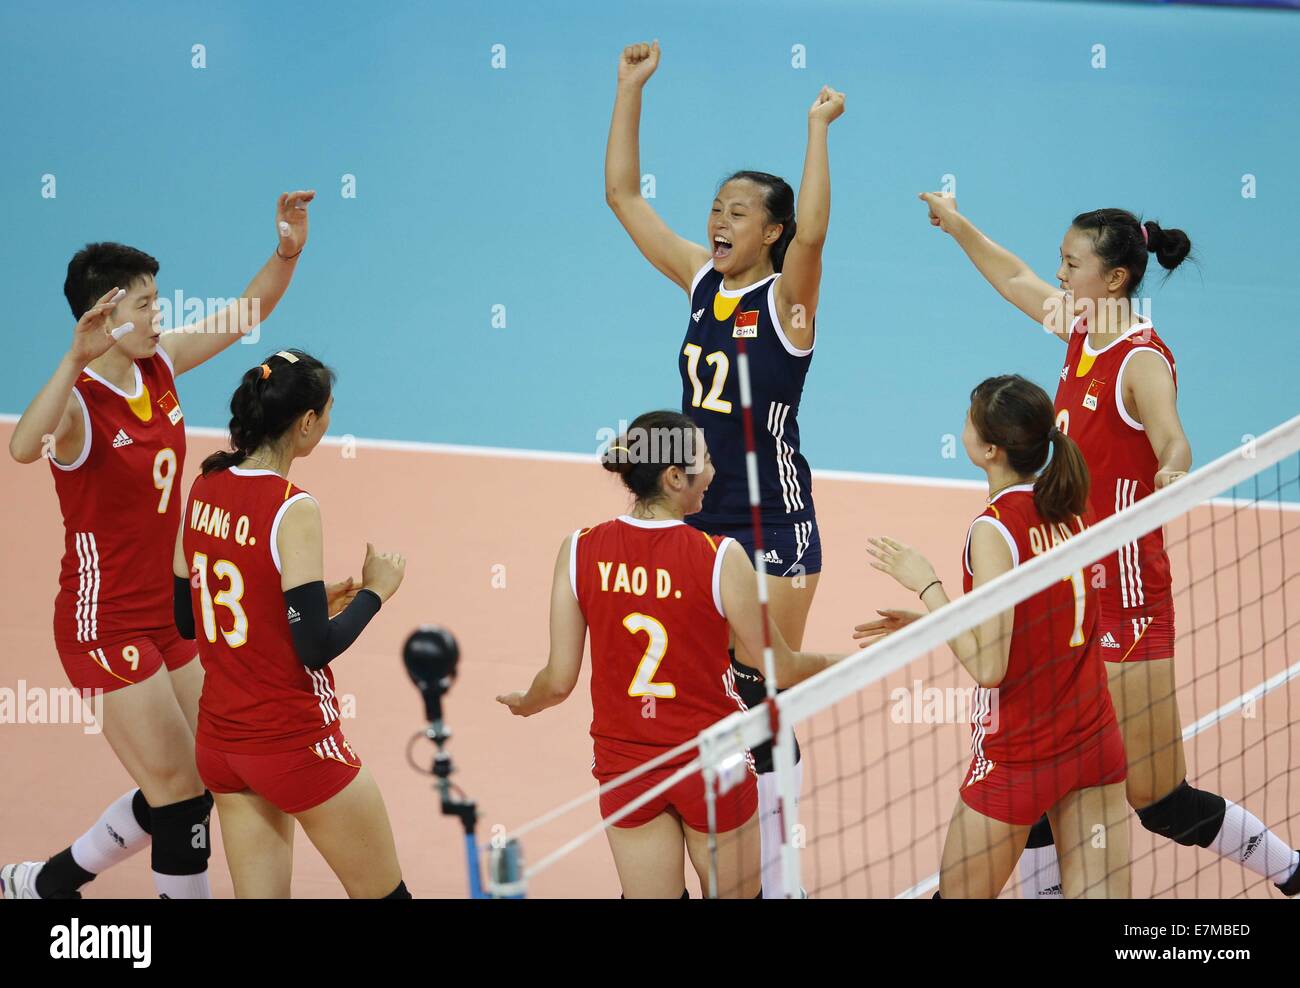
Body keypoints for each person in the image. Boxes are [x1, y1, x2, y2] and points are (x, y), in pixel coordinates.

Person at [919, 194, 1299, 898]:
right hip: (1066, 594)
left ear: (1115, 278)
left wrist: (1176, 473)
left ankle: (1294, 872)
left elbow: (1172, 438)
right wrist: (961, 224)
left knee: (1157, 799)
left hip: (1127, 603)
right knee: (1040, 770)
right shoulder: (1079, 327)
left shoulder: (1140, 361)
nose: (1058, 274)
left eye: (1071, 263)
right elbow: (1012, 278)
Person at [2, 193, 314, 900]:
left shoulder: (159, 368)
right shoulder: (77, 407)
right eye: (143, 305)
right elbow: (23, 446)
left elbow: (243, 317)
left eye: (157, 300)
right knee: (179, 793)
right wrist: (72, 358)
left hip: (170, 617)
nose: (158, 314)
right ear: (101, 316)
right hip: (102, 622)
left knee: (206, 769)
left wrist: (286, 253)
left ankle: (47, 883)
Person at [605, 40, 844, 896]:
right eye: (717, 207)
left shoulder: (789, 304)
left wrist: (815, 129)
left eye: (741, 211)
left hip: (774, 523)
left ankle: (780, 876)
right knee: (714, 689)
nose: (721, 219)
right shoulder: (701, 282)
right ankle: (724, 839)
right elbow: (624, 197)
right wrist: (629, 88)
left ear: (772, 231)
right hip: (698, 518)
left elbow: (815, 229)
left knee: (763, 684)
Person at [498, 410, 841, 898]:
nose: (714, 471)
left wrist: (526, 702)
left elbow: (557, 681)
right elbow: (777, 666)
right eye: (705, 460)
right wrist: (854, 661)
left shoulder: (578, 549)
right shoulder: (721, 556)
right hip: (712, 762)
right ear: (675, 476)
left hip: (627, 767)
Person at [857, 375, 1129, 898]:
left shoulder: (994, 527)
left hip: (1020, 752)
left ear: (989, 449)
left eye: (968, 418)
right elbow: (1043, 617)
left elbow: (989, 668)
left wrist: (928, 586)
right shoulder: (1072, 506)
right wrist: (939, 623)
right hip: (1092, 737)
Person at [175, 348, 409, 898]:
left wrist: (283, 599)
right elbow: (314, 647)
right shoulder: (292, 506)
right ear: (307, 422)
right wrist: (376, 592)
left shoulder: (204, 484)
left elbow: (189, 617)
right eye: (327, 413)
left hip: (222, 745)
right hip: (292, 743)